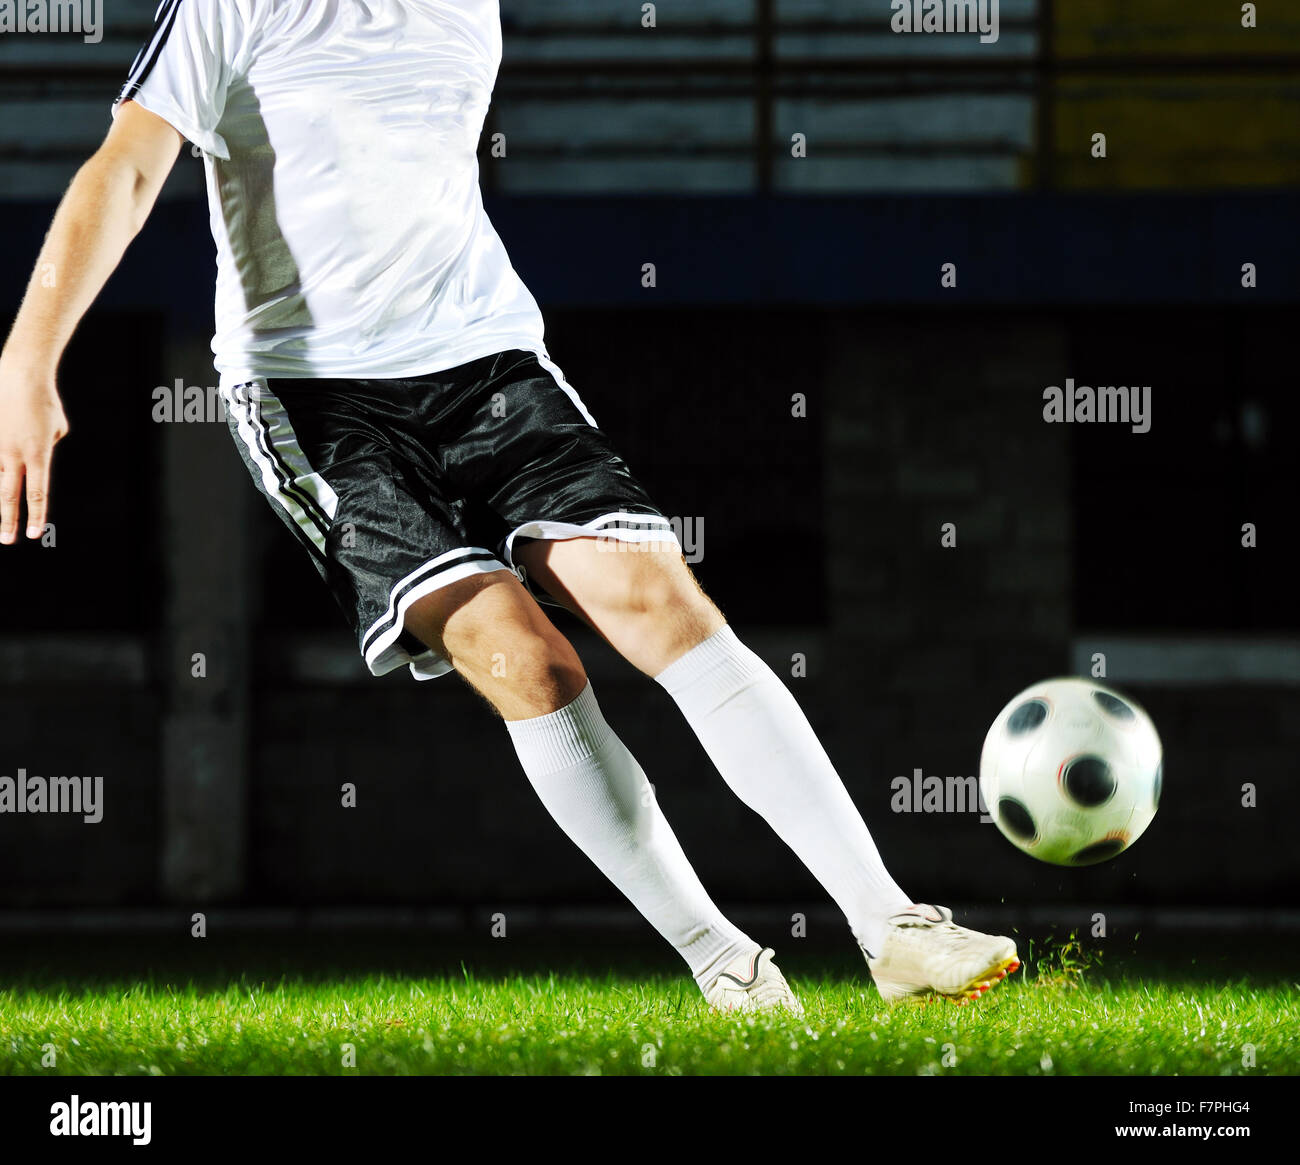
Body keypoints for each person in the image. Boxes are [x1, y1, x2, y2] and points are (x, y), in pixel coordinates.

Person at [0, 0, 1018, 1012]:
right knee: (526, 659)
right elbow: (126, 167)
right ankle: (725, 963)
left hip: (489, 364)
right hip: (315, 397)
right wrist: (28, 356)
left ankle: (892, 929)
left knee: (658, 601)